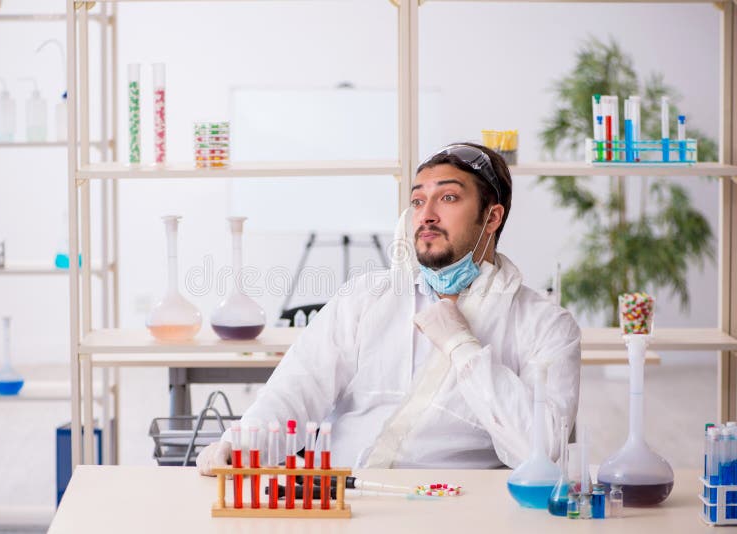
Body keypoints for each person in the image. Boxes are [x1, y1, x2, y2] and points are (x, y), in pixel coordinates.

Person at [197, 142, 581, 473]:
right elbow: (297, 389)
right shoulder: (366, 298)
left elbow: (542, 451)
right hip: (345, 499)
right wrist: (239, 447)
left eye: (448, 198)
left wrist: (463, 347)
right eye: (417, 201)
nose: (426, 215)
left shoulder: (544, 325)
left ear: (491, 217)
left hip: (451, 510)